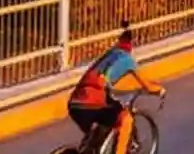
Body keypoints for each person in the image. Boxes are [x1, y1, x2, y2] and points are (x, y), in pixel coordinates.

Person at [67, 22, 164, 154]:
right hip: (94, 101)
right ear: (131, 45)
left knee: (98, 133)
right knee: (126, 119)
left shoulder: (108, 55)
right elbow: (148, 86)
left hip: (75, 104)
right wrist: (160, 90)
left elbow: (105, 82)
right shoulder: (128, 60)